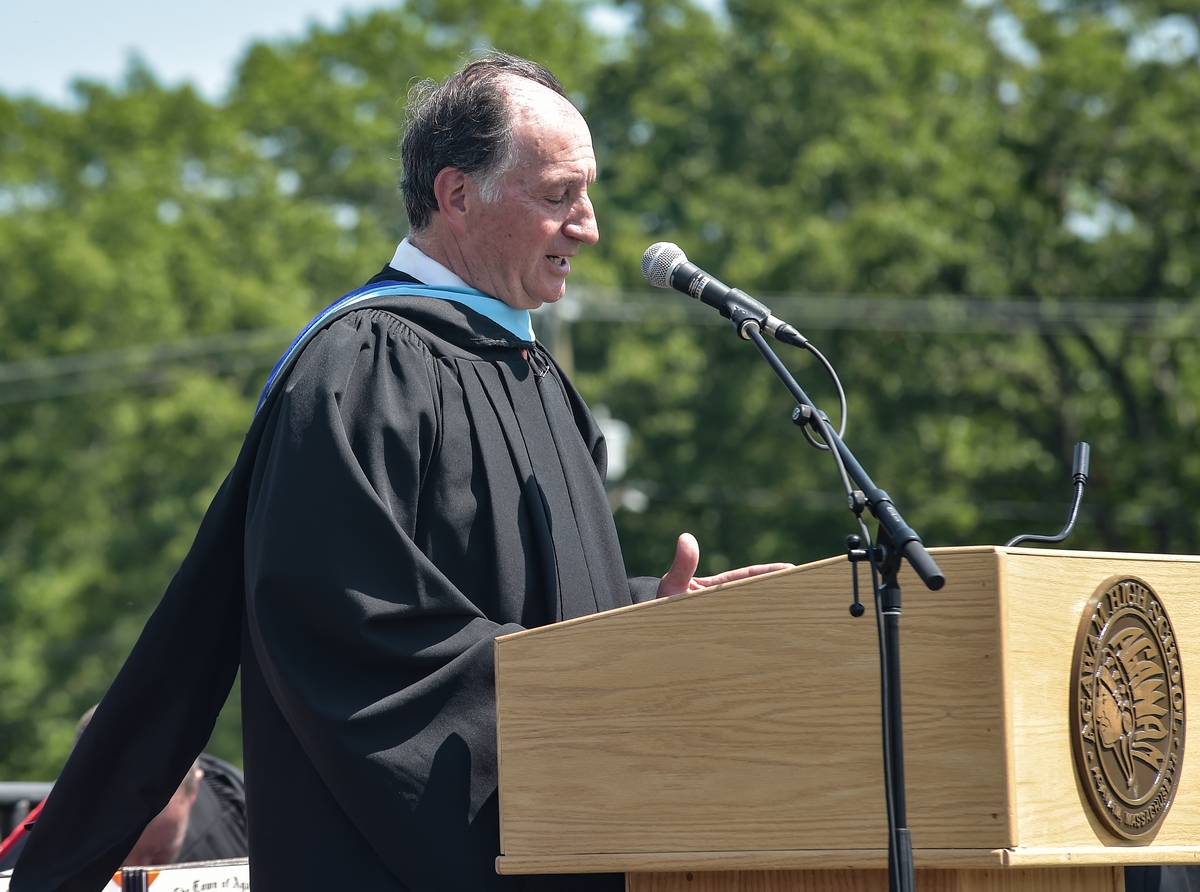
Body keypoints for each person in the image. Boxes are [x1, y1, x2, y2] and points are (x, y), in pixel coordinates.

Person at [11, 53, 786, 892]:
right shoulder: (362, 365)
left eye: (586, 194)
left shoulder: (542, 381)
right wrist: (583, 677)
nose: (590, 226)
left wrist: (639, 621)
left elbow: (520, 600)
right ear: (457, 196)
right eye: (559, 195)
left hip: (571, 843)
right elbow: (347, 632)